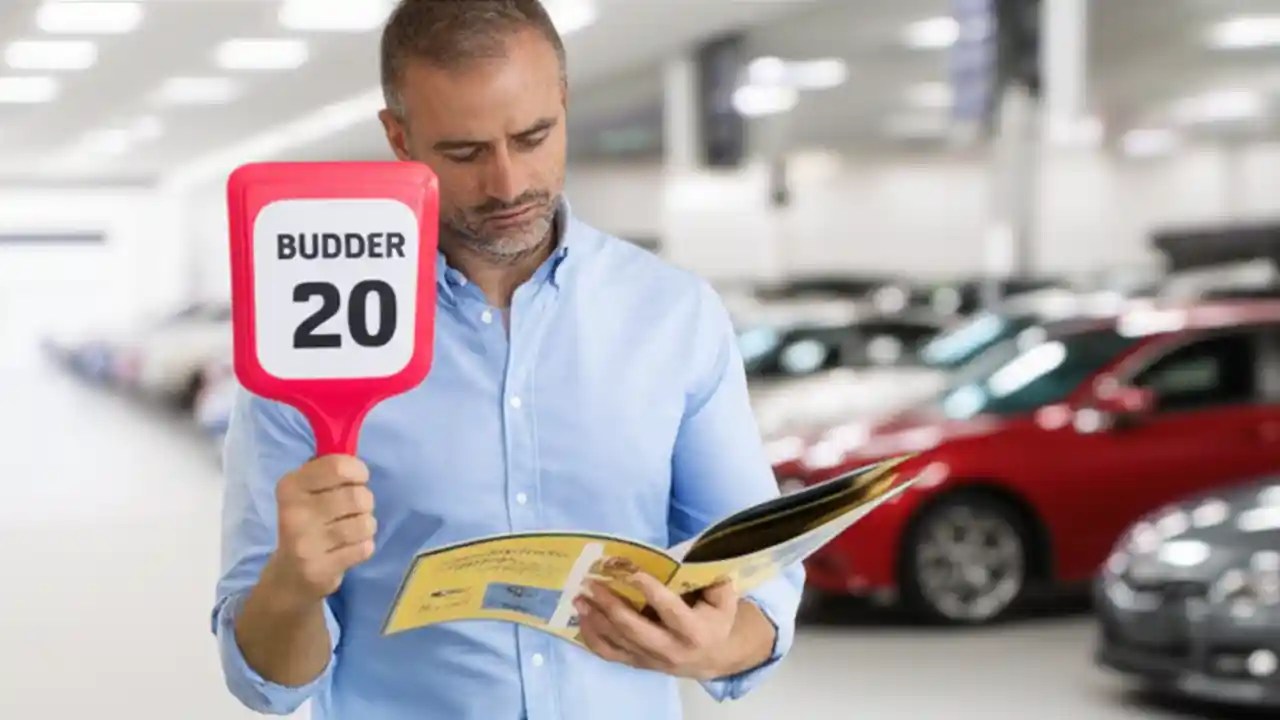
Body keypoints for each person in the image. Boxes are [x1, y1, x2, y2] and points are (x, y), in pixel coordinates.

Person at [212, 1, 804, 718]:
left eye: (532, 137)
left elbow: (761, 576)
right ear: (399, 137)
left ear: (564, 101)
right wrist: (291, 587)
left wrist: (717, 644)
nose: (507, 183)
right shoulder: (312, 344)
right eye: (464, 152)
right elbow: (266, 681)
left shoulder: (675, 316)